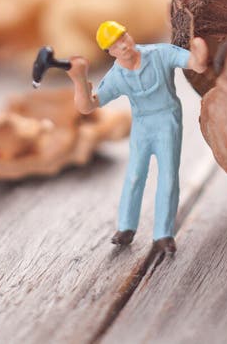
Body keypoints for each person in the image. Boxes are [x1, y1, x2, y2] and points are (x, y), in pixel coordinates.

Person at [67, 20, 209, 253]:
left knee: (168, 176)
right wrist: (79, 80)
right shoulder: (116, 76)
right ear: (109, 52)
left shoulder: (160, 53)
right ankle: (126, 227)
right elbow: (88, 106)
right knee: (134, 175)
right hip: (142, 124)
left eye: (123, 38)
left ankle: (163, 234)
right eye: (115, 46)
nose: (122, 46)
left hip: (166, 120)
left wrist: (199, 53)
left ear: (129, 36)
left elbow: (195, 65)